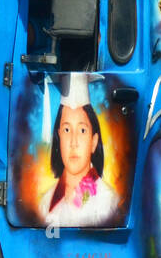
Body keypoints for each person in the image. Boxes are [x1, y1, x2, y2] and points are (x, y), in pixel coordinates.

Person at [38, 75, 121, 227]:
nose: (74, 142)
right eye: (67, 129)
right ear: (58, 139)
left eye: (82, 130)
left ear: (94, 142)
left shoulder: (109, 203)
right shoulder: (45, 204)